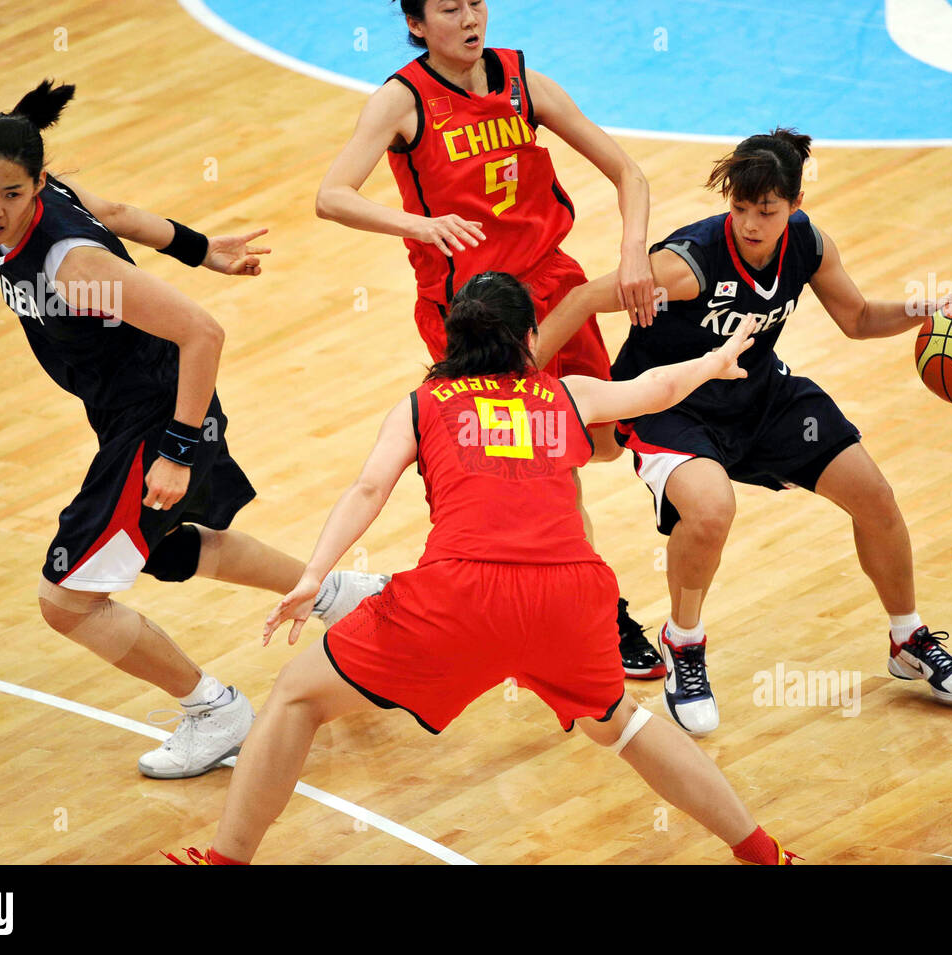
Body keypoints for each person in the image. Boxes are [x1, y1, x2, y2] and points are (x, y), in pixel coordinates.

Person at [163, 271, 795, 865]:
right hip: (571, 597)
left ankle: (226, 859)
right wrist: (714, 362)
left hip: (458, 596)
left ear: (450, 340)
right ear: (529, 339)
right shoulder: (567, 394)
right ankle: (763, 851)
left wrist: (312, 578)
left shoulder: (422, 404)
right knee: (620, 724)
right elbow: (655, 388)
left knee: (298, 696)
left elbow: (366, 491)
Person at [0, 80, 386, 778]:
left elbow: (202, 332)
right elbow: (119, 210)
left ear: (38, 185)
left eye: (11, 194)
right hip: (134, 410)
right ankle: (342, 597)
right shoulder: (40, 204)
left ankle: (213, 710)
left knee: (66, 599)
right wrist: (201, 248)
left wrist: (177, 453)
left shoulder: (72, 265)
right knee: (166, 548)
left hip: (161, 417)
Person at [535, 128, 952, 735]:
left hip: (760, 395)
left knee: (874, 498)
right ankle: (684, 644)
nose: (751, 222)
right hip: (674, 403)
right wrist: (518, 381)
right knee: (712, 510)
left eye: (767, 210)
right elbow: (583, 299)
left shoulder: (806, 243)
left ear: (794, 204)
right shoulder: (687, 264)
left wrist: (927, 308)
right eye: (741, 208)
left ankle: (906, 637)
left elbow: (856, 319)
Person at [314, 0, 664, 678]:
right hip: (474, 316)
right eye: (450, 8)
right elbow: (332, 195)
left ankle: (410, 592)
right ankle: (593, 611)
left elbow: (631, 173)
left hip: (555, 287)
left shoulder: (520, 80)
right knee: (535, 465)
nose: (471, 18)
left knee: (598, 445)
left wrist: (632, 249)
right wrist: (419, 225)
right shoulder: (402, 100)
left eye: (477, 2)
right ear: (417, 24)